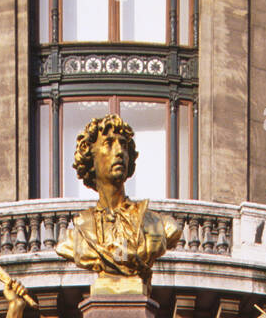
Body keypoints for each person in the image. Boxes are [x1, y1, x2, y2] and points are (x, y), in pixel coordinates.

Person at [55, 114, 181, 295]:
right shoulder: (76, 236)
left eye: (123, 144)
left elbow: (172, 232)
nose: (119, 151)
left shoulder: (159, 225)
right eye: (109, 144)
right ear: (91, 159)